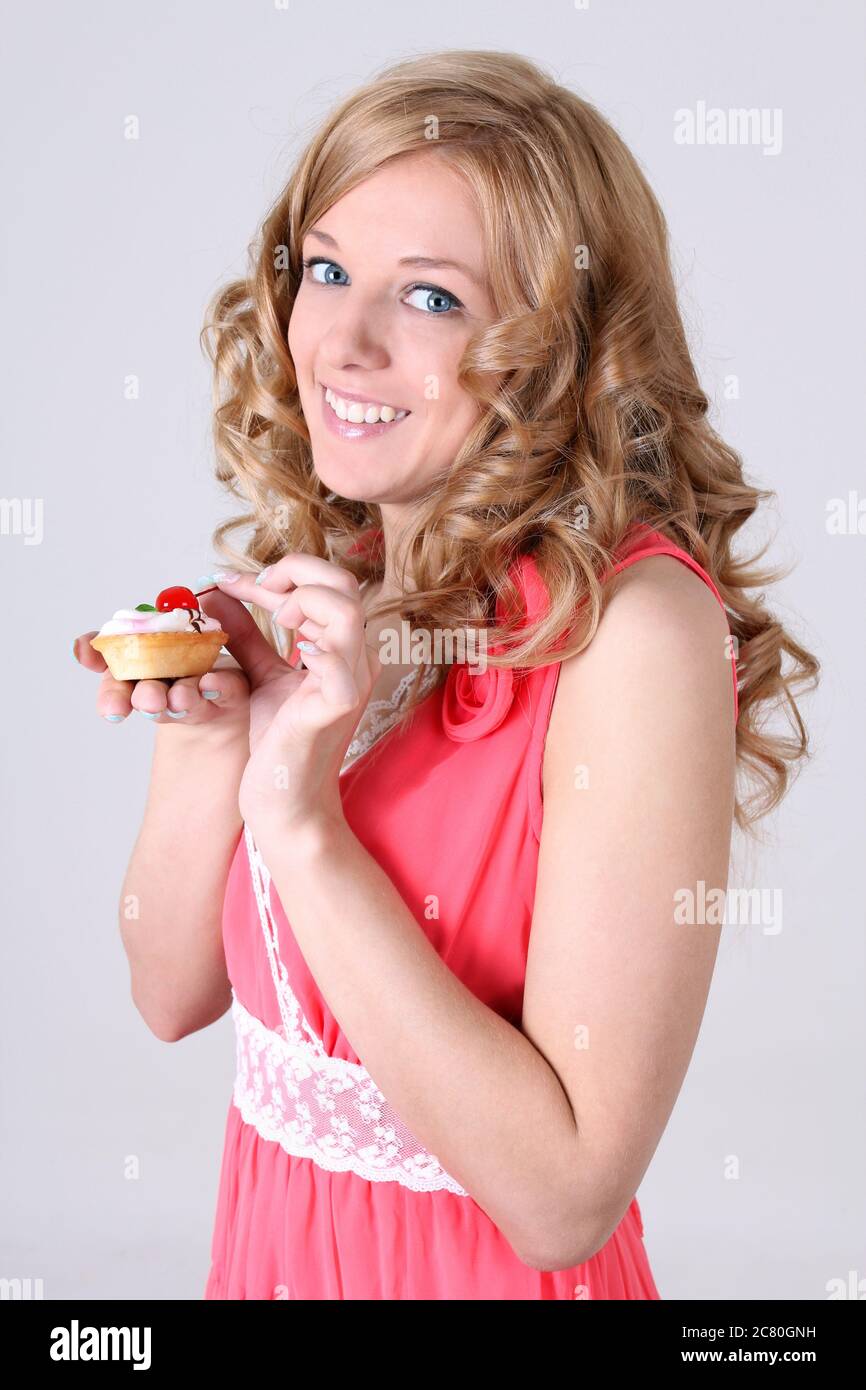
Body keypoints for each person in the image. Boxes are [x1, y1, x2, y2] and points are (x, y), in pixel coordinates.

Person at [74, 50, 818, 1299]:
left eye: (429, 300)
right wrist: (220, 737)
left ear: (556, 345)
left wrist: (306, 828)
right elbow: (169, 992)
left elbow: (563, 1197)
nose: (342, 343)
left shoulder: (631, 632)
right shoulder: (335, 565)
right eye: (325, 272)